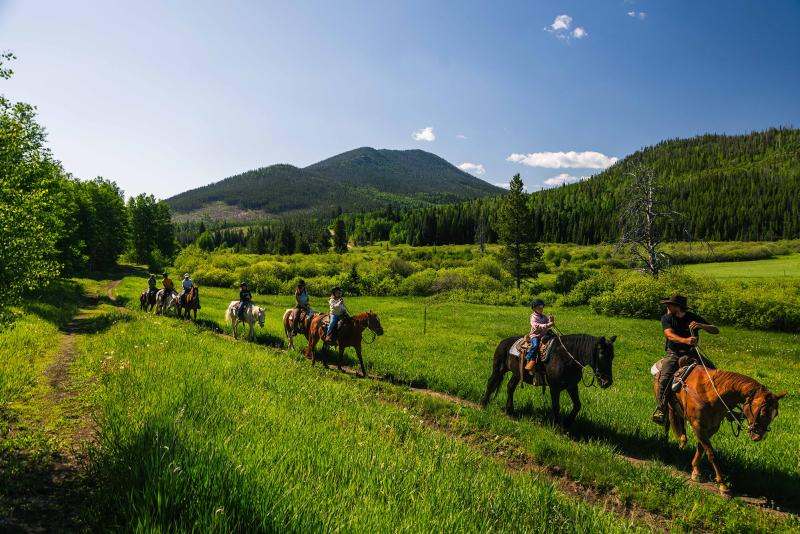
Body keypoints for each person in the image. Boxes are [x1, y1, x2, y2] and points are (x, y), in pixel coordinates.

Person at [652, 294, 719, 424]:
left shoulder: (693, 318)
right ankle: (661, 409)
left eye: (669, 304)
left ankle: (723, 408)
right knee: (664, 378)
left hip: (692, 353)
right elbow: (669, 335)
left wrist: (701, 325)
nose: (667, 307)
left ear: (678, 307)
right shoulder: (666, 318)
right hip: (674, 354)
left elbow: (715, 330)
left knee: (715, 374)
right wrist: (685, 340)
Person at [524, 299, 555, 371]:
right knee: (535, 345)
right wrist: (547, 324)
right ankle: (528, 357)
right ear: (534, 308)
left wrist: (551, 321)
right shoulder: (533, 317)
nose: (541, 309)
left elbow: (548, 323)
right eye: (539, 307)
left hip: (544, 334)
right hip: (535, 335)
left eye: (542, 307)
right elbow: (536, 326)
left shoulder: (544, 316)